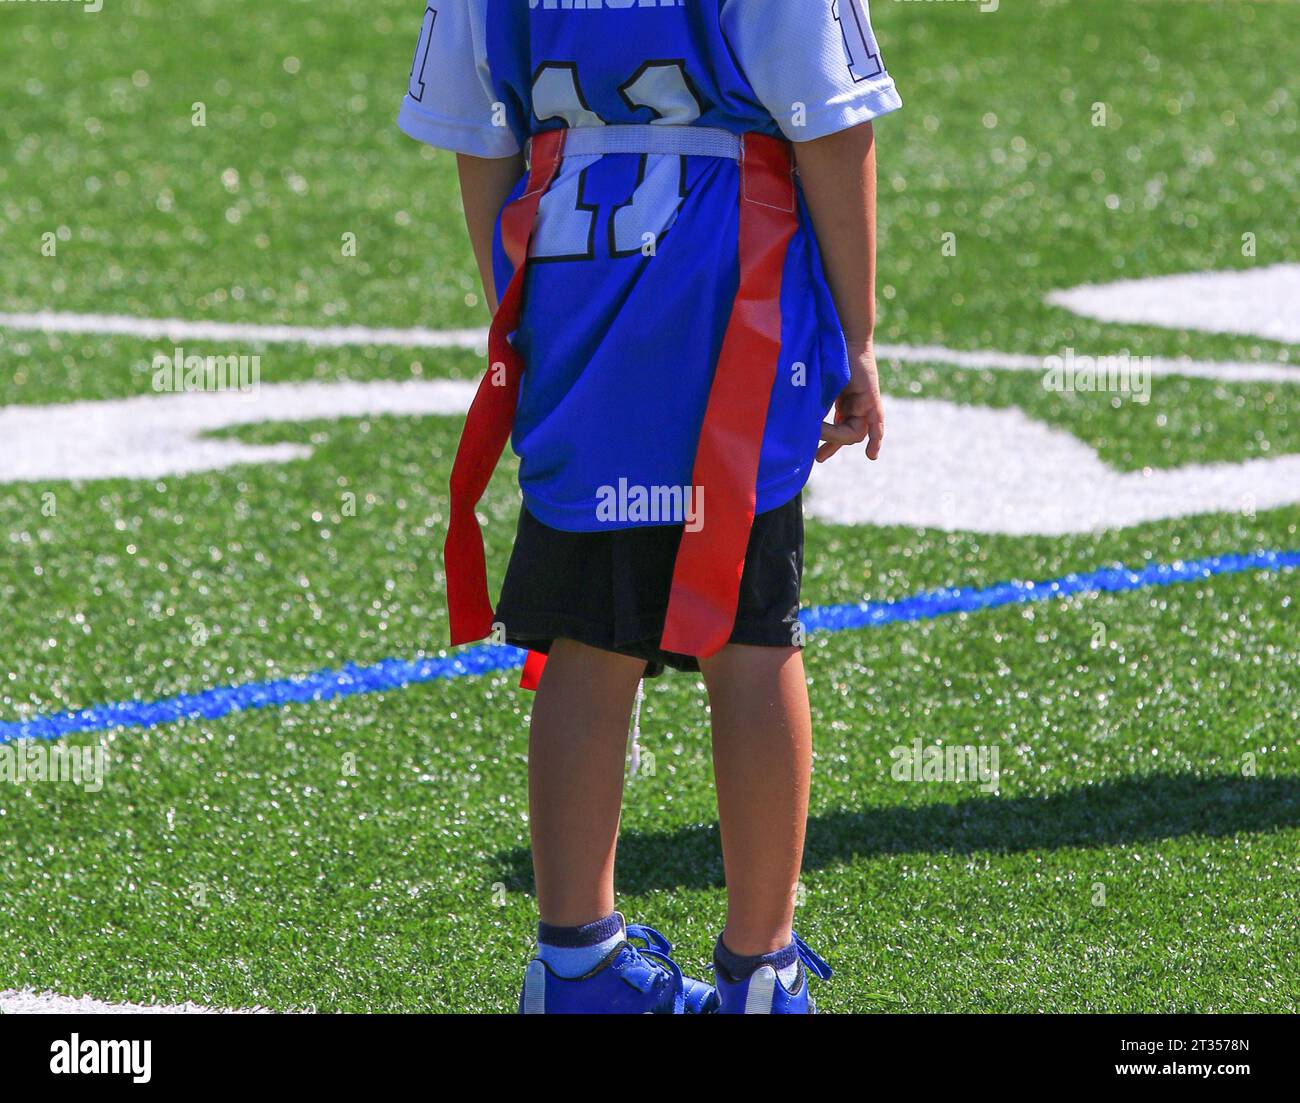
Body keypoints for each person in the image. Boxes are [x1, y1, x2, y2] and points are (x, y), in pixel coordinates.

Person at [398, 0, 900, 1014]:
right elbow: (832, 121)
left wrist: (516, 297)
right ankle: (762, 966)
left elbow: (474, 135)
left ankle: (575, 957)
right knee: (752, 629)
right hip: (732, 281)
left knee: (586, 634)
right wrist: (857, 334)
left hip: (572, 276)